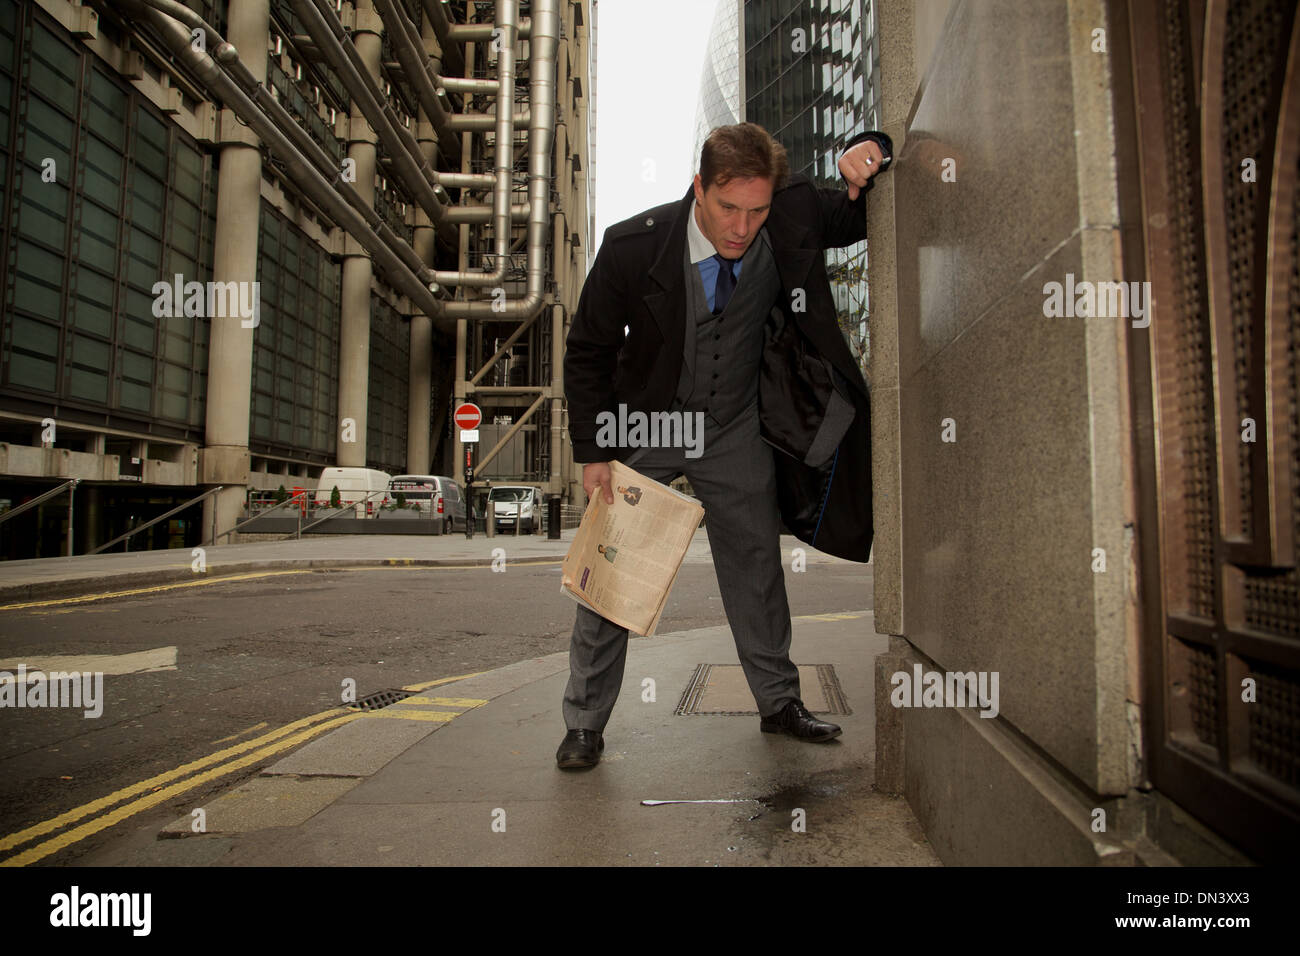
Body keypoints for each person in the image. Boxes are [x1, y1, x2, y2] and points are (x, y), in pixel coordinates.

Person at [558, 122, 891, 770]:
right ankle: (584, 723)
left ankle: (778, 702)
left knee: (757, 568)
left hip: (734, 427)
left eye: (756, 211)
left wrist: (871, 148)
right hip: (646, 424)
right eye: (728, 209)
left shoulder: (789, 218)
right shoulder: (633, 247)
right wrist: (595, 450)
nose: (742, 227)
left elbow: (858, 209)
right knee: (613, 572)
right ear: (698, 190)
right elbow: (588, 351)